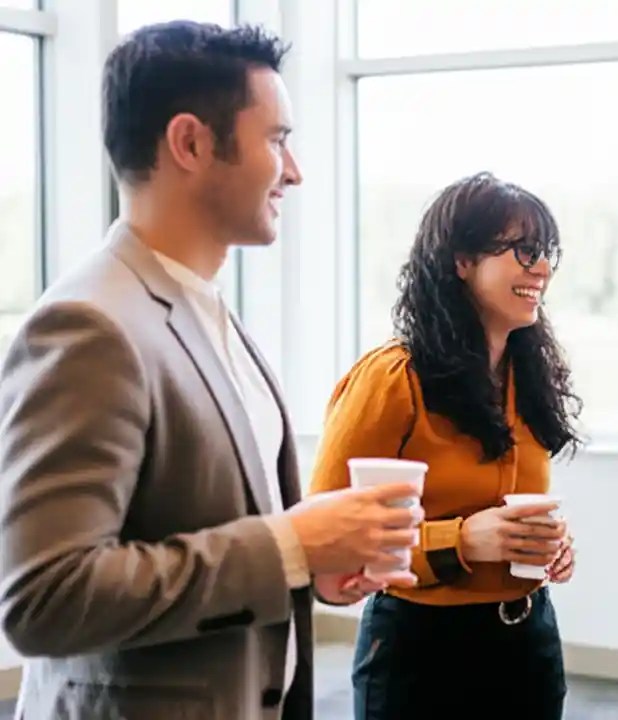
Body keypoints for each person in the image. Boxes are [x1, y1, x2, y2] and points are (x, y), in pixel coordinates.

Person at [0, 21, 424, 720]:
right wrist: (292, 543)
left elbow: (216, 529)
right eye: (277, 139)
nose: (294, 170)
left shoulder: (207, 313)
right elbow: (45, 599)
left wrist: (313, 565)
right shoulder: (91, 326)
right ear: (191, 143)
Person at [309, 171, 582, 719]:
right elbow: (325, 547)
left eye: (547, 252)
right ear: (462, 260)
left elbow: (514, 518)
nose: (543, 268)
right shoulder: (393, 378)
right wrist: (458, 541)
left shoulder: (528, 377)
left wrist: (552, 547)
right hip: (420, 649)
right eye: (524, 251)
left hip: (528, 641)